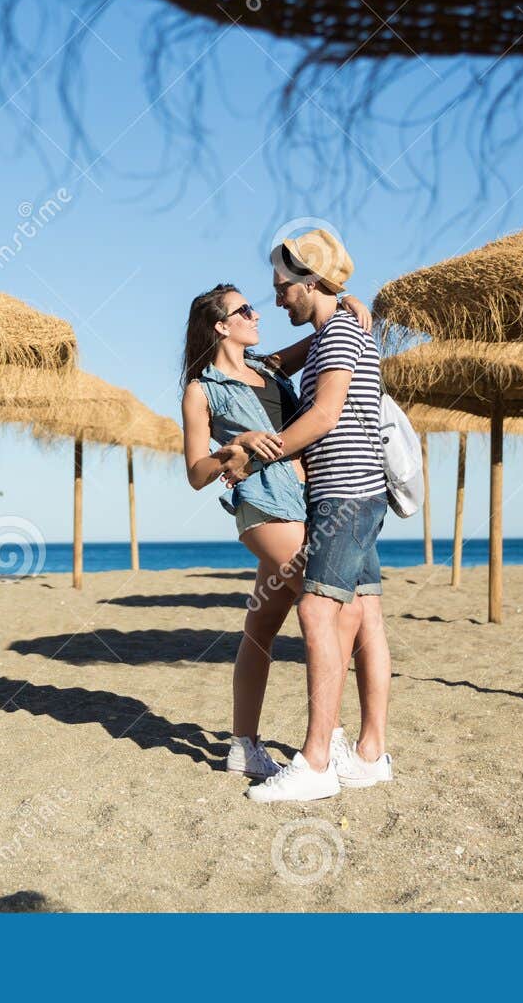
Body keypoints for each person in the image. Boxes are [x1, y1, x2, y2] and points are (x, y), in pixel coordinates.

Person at [220, 229, 394, 802]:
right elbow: (272, 361)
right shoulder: (332, 331)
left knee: (318, 613)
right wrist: (343, 299)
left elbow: (321, 417)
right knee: (363, 616)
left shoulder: (340, 334)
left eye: (281, 288)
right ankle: (369, 755)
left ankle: (317, 761)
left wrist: (258, 455)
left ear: (308, 279)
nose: (274, 301)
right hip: (355, 493)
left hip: (345, 493)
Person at [179, 282, 371, 780]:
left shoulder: (269, 367)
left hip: (302, 501)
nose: (256, 314)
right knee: (335, 607)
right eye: (244, 310)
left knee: (261, 627)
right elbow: (197, 474)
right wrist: (233, 446)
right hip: (265, 506)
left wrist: (347, 303)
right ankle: (328, 740)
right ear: (222, 325)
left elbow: (323, 335)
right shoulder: (202, 389)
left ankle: (243, 745)